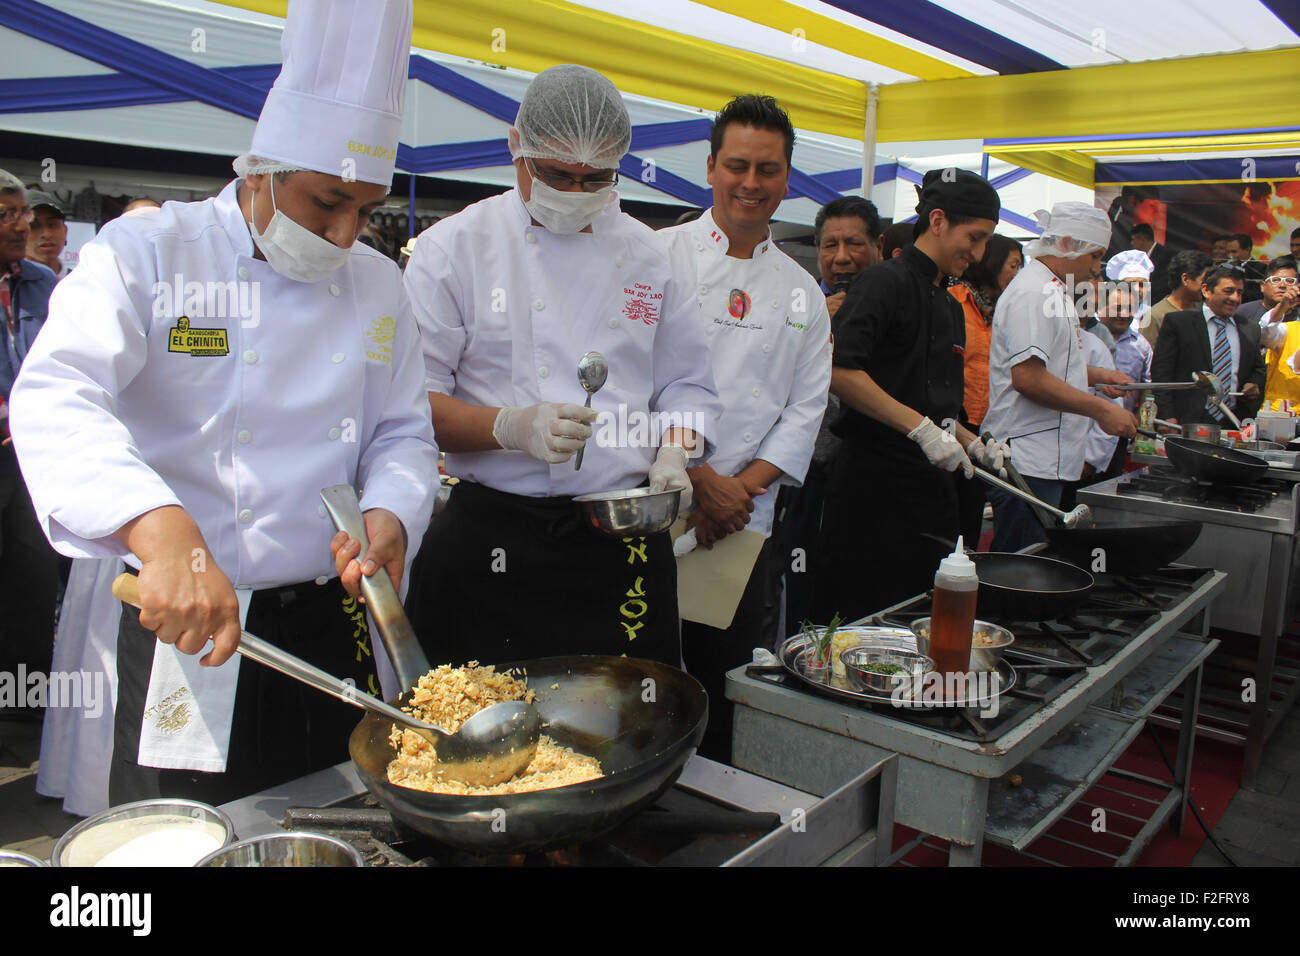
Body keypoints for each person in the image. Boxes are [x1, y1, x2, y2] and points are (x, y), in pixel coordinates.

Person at [10, 0, 437, 806]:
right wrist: (156, 526)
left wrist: (394, 512)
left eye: (366, 209)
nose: (347, 234)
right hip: (188, 623)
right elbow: (58, 393)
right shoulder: (151, 251)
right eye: (327, 202)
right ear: (262, 168)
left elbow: (402, 432)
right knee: (183, 838)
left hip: (331, 623)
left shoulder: (379, 285)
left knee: (338, 825)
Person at [401, 64, 721, 670]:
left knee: (628, 728)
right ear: (517, 147)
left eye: (594, 178)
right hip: (493, 535)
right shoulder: (454, 249)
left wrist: (675, 452)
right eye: (555, 175)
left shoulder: (648, 254)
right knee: (477, 734)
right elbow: (411, 407)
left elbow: (686, 383)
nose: (575, 192)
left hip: (619, 534)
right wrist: (509, 427)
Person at [659, 95, 830, 761]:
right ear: (710, 167)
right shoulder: (657, 257)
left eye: (768, 170)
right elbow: (627, 379)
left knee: (718, 679)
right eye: (737, 166)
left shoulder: (801, 291)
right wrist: (698, 480)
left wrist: (736, 494)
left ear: (787, 178)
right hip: (656, 497)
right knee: (641, 671)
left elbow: (804, 409)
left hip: (740, 524)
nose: (751, 184)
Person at [820, 168, 1009, 622]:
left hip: (928, 490)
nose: (980, 253)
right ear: (938, 220)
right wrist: (921, 429)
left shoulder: (948, 303)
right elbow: (840, 371)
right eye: (975, 237)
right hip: (872, 488)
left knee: (919, 615)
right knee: (865, 617)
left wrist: (970, 440)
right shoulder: (884, 282)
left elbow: (929, 403)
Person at [981, 202, 1138, 553]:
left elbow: (1049, 365)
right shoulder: (1035, 292)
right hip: (1028, 458)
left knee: (1034, 559)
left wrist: (1096, 375)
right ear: (1067, 245)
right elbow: (1028, 379)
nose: (1097, 269)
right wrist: (1100, 410)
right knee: (1021, 565)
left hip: (1045, 458)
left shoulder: (1053, 290)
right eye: (1094, 257)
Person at [0, 170, 61, 683]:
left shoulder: (42, 284)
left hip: (30, 459)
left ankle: (23, 698)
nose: (22, 225)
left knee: (32, 578)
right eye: (7, 215)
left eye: (23, 213)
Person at [948, 234, 1022, 545]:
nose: (1017, 275)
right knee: (947, 513)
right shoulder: (953, 301)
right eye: (1013, 266)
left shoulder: (1008, 311)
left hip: (988, 431)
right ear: (991, 262)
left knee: (971, 515)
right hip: (950, 425)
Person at [1150, 265, 1265, 428]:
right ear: (1206, 290)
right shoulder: (1179, 323)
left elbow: (1258, 369)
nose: (1235, 298)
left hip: (1232, 423)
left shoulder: (1249, 328)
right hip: (1185, 421)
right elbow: (1161, 373)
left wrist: (1253, 384)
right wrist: (1167, 415)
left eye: (1239, 292)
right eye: (1228, 291)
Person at [815, 195, 882, 315]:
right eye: (831, 245)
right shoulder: (794, 305)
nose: (842, 257)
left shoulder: (902, 306)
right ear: (818, 249)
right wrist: (817, 324)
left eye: (854, 244)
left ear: (879, 247)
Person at [1142, 249, 1212, 349]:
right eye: (1203, 281)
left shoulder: (1204, 312)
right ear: (1186, 279)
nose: (1207, 287)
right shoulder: (1156, 316)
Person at [1236, 255, 1299, 326]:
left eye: (1289, 281)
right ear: (1263, 286)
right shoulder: (1242, 313)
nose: (1282, 285)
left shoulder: (1298, 317)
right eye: (1275, 280)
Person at [24, 188, 69, 281]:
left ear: (65, 231)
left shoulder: (84, 282)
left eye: (52, 225)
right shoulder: (8, 285)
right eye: (34, 226)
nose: (46, 234)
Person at [1129, 223, 1172, 303]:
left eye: (1133, 239)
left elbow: (1164, 283)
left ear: (1142, 239)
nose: (1132, 243)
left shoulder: (1165, 255)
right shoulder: (1137, 256)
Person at [1227, 233, 1267, 303]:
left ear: (1247, 250)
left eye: (1234, 252)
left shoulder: (1260, 269)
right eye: (1228, 252)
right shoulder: (1225, 268)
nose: (1230, 256)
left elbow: (1258, 294)